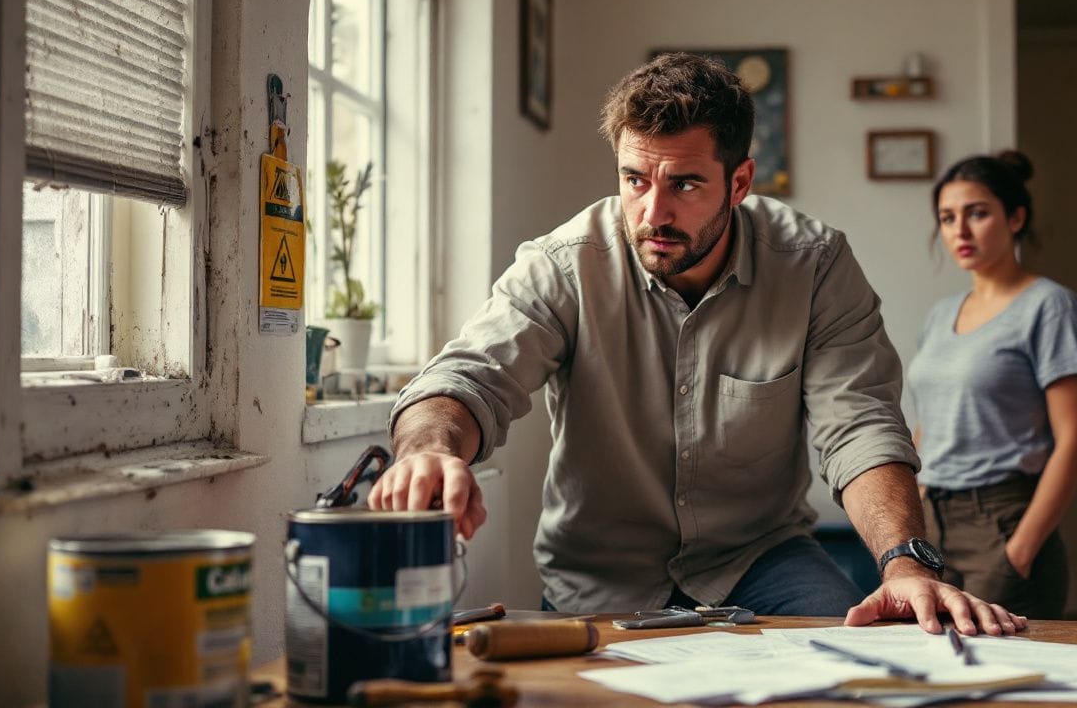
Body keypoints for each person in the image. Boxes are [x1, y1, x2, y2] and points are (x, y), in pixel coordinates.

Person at [370, 53, 1025, 636]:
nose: (653, 213)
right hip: (601, 573)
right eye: (634, 180)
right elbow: (468, 377)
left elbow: (859, 424)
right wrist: (430, 453)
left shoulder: (814, 264)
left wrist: (906, 564)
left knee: (853, 665)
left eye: (683, 184)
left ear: (739, 183)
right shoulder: (564, 264)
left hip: (761, 559)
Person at [907, 150, 1077, 619]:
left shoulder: (1050, 307)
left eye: (977, 213)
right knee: (927, 657)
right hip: (931, 523)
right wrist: (911, 512)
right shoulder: (940, 314)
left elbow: (1075, 440)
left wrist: (1020, 551)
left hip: (1002, 521)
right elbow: (928, 423)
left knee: (998, 661)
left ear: (1016, 218)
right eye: (947, 218)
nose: (960, 231)